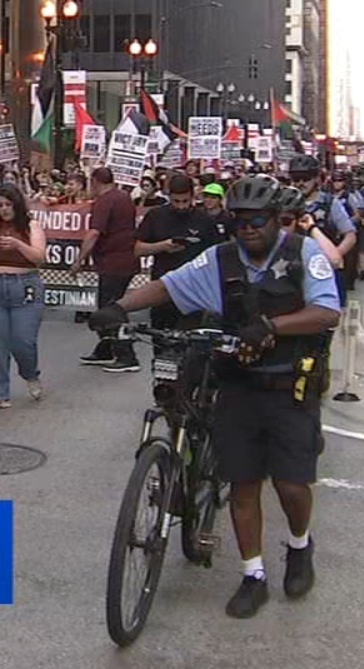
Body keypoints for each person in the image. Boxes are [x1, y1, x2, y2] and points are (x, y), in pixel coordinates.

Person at [87, 174, 341, 619]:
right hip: (239, 383)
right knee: (243, 484)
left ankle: (299, 546)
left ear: (276, 220)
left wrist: (272, 326)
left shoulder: (304, 253)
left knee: (290, 485)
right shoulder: (219, 260)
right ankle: (253, 575)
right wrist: (119, 307)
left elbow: (326, 311)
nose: (248, 229)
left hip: (289, 386)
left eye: (257, 220)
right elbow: (168, 286)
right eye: (239, 221)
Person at [0, 184, 48, 410]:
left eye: (8, 205)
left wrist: (17, 244)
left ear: (17, 205)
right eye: (0, 205)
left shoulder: (31, 226)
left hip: (24, 286)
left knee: (23, 340)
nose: (4, 210)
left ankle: (30, 373)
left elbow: (39, 257)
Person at [134, 174, 223, 330]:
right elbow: (137, 249)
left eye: (185, 201)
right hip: (162, 289)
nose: (181, 206)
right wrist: (162, 246)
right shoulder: (156, 216)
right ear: (169, 196)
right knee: (161, 342)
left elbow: (216, 255)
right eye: (176, 201)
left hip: (194, 291)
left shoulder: (205, 220)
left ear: (192, 196)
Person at [76, 166, 142, 372]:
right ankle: (105, 349)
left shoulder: (104, 202)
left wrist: (79, 259)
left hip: (113, 261)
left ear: (95, 181)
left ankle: (126, 355)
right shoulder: (124, 197)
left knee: (110, 309)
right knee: (110, 305)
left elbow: (94, 233)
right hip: (126, 259)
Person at [288, 155, 357, 303]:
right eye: (296, 178)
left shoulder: (330, 202)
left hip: (323, 270)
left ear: (316, 179)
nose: (300, 183)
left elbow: (350, 236)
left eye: (305, 178)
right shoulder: (281, 202)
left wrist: (332, 257)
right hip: (289, 269)